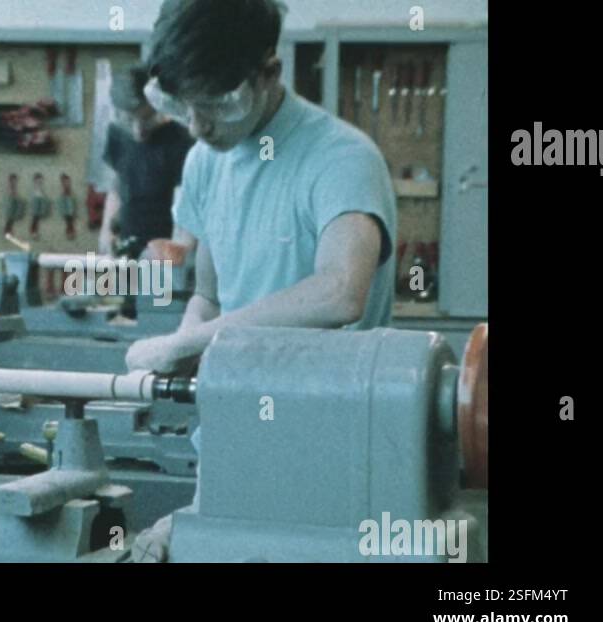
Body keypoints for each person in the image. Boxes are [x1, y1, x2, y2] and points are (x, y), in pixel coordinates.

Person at [127, 0, 398, 562]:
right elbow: (208, 294)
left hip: (332, 461)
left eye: (215, 106)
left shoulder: (341, 157)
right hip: (232, 451)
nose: (198, 127)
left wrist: (194, 341)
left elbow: (340, 290)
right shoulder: (205, 162)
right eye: (184, 106)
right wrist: (187, 343)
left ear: (269, 72)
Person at [98, 64, 196, 261]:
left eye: (147, 119)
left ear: (156, 107)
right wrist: (106, 232)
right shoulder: (117, 135)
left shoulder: (180, 140)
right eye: (129, 121)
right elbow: (117, 185)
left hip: (165, 246)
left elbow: (188, 200)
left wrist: (184, 247)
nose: (138, 130)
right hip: (126, 246)